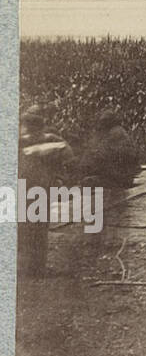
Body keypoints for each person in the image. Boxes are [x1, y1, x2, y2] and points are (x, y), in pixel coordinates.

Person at [18, 108, 74, 278]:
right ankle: (34, 268)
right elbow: (69, 156)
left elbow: (68, 155)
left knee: (29, 228)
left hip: (30, 188)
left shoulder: (46, 141)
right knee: (36, 229)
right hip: (37, 188)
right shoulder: (50, 142)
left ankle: (30, 268)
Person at [79, 108, 141, 190]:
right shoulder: (118, 131)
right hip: (123, 176)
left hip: (120, 179)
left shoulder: (114, 134)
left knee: (87, 182)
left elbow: (102, 156)